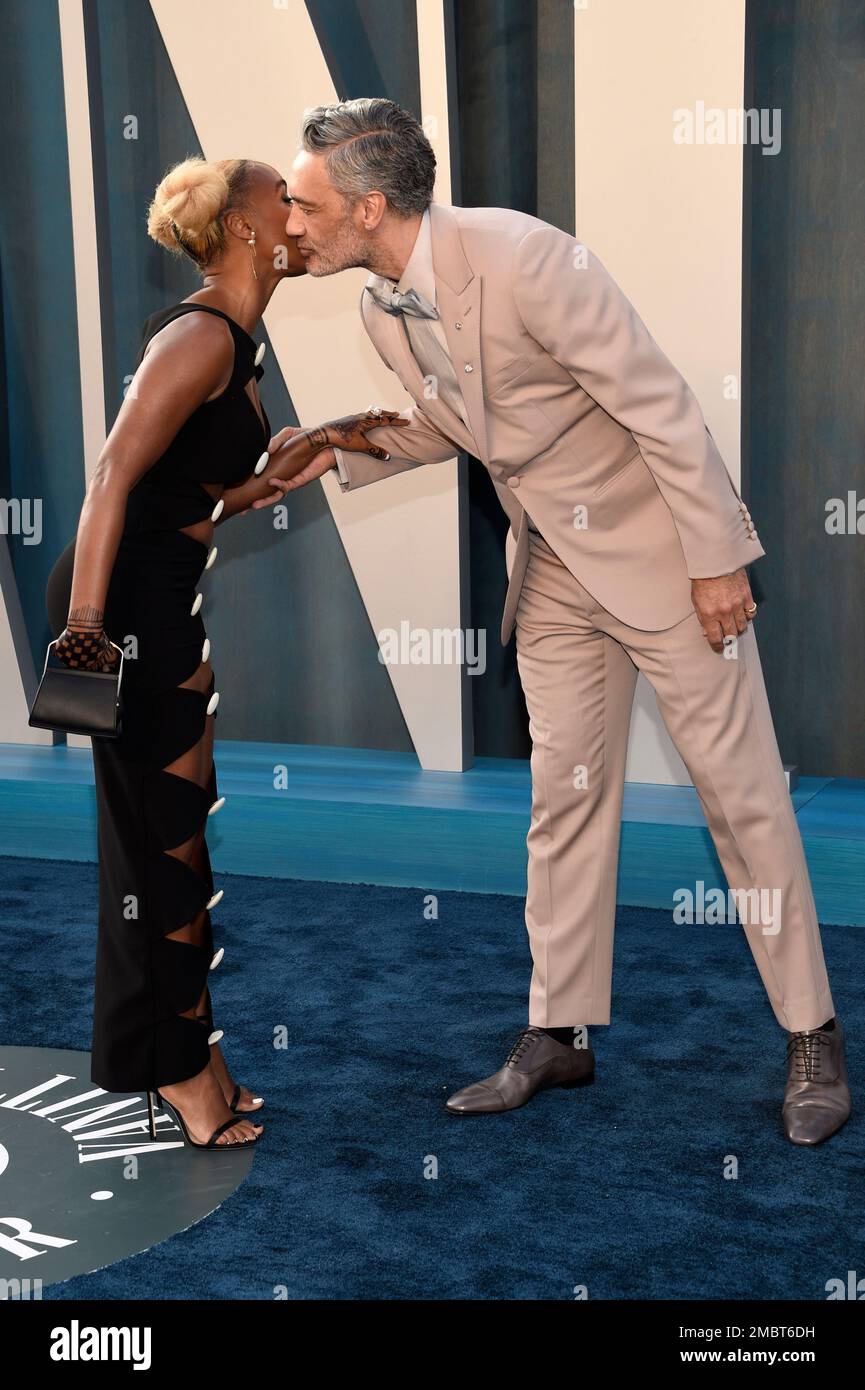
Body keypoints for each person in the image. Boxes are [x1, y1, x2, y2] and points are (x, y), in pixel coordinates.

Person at [259, 98, 850, 1145]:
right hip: (552, 575)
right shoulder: (379, 306)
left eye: (303, 205)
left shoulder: (524, 257)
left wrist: (717, 560)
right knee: (562, 802)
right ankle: (560, 1029)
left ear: (370, 204)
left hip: (667, 564)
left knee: (743, 799)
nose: (288, 224)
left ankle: (812, 1035)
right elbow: (460, 423)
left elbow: (658, 402)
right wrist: (335, 447)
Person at [45, 155, 404, 1149]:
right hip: (118, 603)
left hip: (154, 591)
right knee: (160, 844)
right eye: (278, 200)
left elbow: (188, 492)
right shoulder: (203, 335)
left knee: (179, 832)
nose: (298, 213)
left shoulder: (238, 339)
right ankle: (174, 1074)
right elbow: (113, 474)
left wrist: (309, 446)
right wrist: (84, 628)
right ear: (246, 230)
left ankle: (191, 1051)